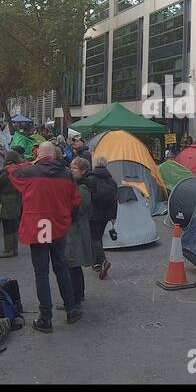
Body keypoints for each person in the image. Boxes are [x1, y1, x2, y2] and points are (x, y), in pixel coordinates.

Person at [7, 142, 81, 332]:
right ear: (55, 155)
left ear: (39, 154)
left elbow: (11, 170)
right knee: (61, 267)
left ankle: (45, 317)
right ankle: (71, 309)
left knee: (41, 272)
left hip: (40, 224)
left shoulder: (30, 171)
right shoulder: (67, 174)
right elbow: (76, 200)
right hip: (58, 223)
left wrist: (32, 162)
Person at [63, 158, 94, 311]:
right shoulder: (79, 185)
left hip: (77, 229)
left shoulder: (83, 188)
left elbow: (80, 209)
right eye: (71, 167)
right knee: (73, 266)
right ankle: (77, 295)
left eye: (74, 168)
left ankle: (75, 298)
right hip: (76, 228)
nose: (71, 170)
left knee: (72, 264)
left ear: (83, 170)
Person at [86, 155, 117, 280]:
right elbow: (115, 200)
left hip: (93, 213)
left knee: (94, 238)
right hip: (106, 214)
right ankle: (97, 262)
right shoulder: (112, 181)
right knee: (98, 237)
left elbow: (87, 198)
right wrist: (113, 216)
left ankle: (103, 261)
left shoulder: (90, 179)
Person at [0, 151, 25, 259]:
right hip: (17, 199)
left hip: (7, 200)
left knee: (7, 226)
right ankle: (15, 248)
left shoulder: (7, 171)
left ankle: (8, 250)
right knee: (14, 225)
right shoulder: (20, 170)